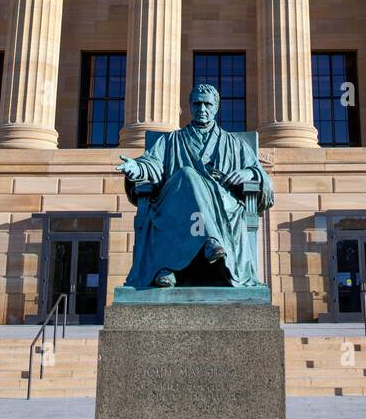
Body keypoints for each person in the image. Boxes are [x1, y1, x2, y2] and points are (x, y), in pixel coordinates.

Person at [115, 83, 273, 288]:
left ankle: (167, 268)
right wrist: (137, 169)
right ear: (190, 106)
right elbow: (151, 163)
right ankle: (210, 241)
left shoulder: (235, 144)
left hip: (220, 201)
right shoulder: (171, 140)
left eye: (207, 104)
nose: (202, 109)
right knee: (187, 175)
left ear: (216, 108)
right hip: (176, 202)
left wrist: (247, 172)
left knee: (188, 177)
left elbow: (260, 175)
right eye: (197, 104)